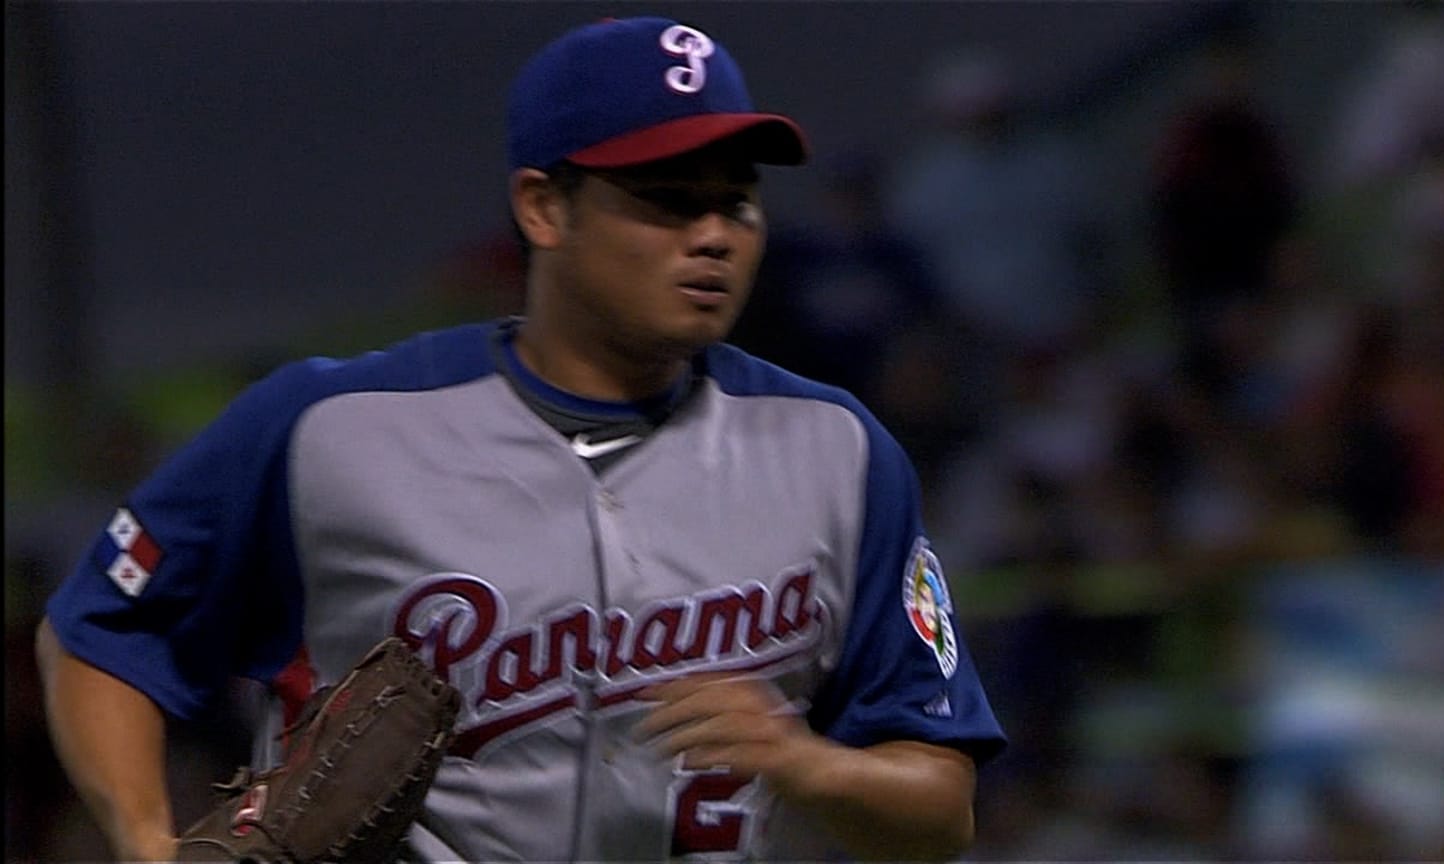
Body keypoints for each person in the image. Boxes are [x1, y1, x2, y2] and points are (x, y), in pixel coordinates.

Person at [35, 16, 1005, 863]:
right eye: (668, 200)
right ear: (544, 207)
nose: (713, 234)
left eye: (736, 200)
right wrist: (144, 841)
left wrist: (809, 764)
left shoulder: (837, 452)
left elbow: (938, 811)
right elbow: (100, 630)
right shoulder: (331, 427)